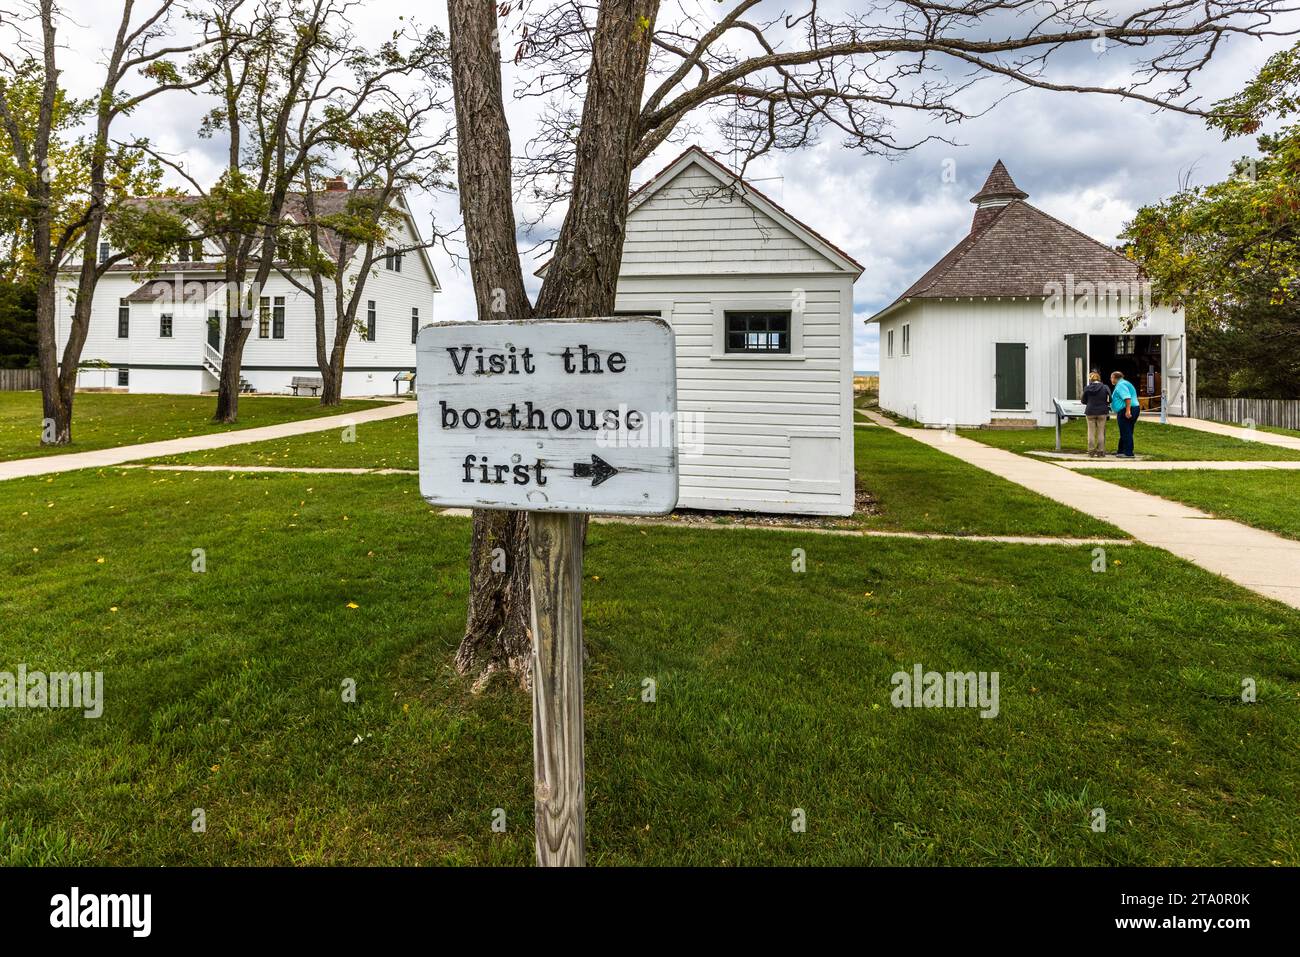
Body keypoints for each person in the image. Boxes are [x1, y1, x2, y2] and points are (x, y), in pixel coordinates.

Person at [1110, 371, 1140, 457]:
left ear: (1115, 378)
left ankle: (1128, 453)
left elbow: (1127, 398)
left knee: (1126, 431)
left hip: (1126, 409)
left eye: (1111, 377)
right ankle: (1121, 451)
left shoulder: (1120, 385)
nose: (1110, 379)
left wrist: (1127, 411)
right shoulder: (1126, 383)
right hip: (1134, 408)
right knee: (1127, 430)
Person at [1082, 371, 1111, 457]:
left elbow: (1083, 401)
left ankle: (1091, 451)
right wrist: (1105, 403)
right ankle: (1100, 451)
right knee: (1101, 432)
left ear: (1090, 379)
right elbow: (1110, 399)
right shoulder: (1105, 387)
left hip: (1090, 411)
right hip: (1102, 411)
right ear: (1099, 378)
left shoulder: (1087, 388)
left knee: (1091, 432)